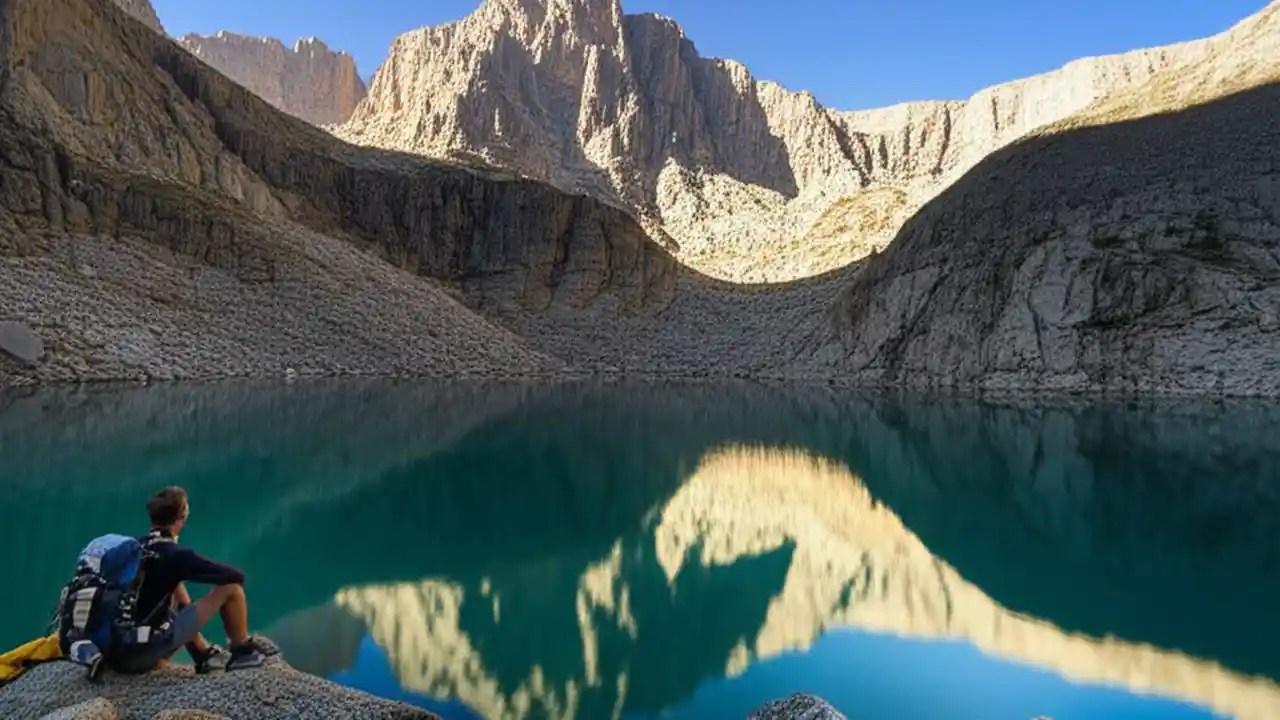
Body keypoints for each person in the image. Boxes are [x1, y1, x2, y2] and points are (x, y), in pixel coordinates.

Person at [112, 486, 278, 674]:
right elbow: (235, 576)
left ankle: (203, 654)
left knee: (175, 595)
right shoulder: (174, 555)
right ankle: (242, 652)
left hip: (113, 652)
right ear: (182, 517)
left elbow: (183, 603)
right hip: (139, 656)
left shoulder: (133, 547)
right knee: (232, 589)